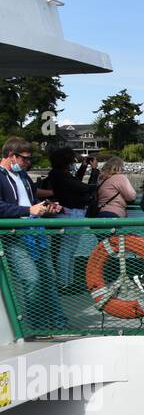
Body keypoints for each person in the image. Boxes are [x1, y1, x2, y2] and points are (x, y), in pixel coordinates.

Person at [0, 137, 68, 330]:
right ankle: (36, 327)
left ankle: (58, 323)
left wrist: (48, 207)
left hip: (35, 233)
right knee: (32, 279)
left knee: (48, 277)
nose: (28, 163)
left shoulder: (23, 176)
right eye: (25, 159)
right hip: (14, 236)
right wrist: (28, 211)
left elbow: (30, 201)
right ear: (12, 156)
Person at [42, 148, 99, 290]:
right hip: (72, 213)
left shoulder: (57, 175)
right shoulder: (61, 176)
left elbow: (76, 182)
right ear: (66, 161)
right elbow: (84, 188)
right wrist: (95, 171)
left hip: (69, 212)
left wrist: (85, 167)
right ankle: (64, 283)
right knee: (67, 250)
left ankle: (67, 281)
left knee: (68, 249)